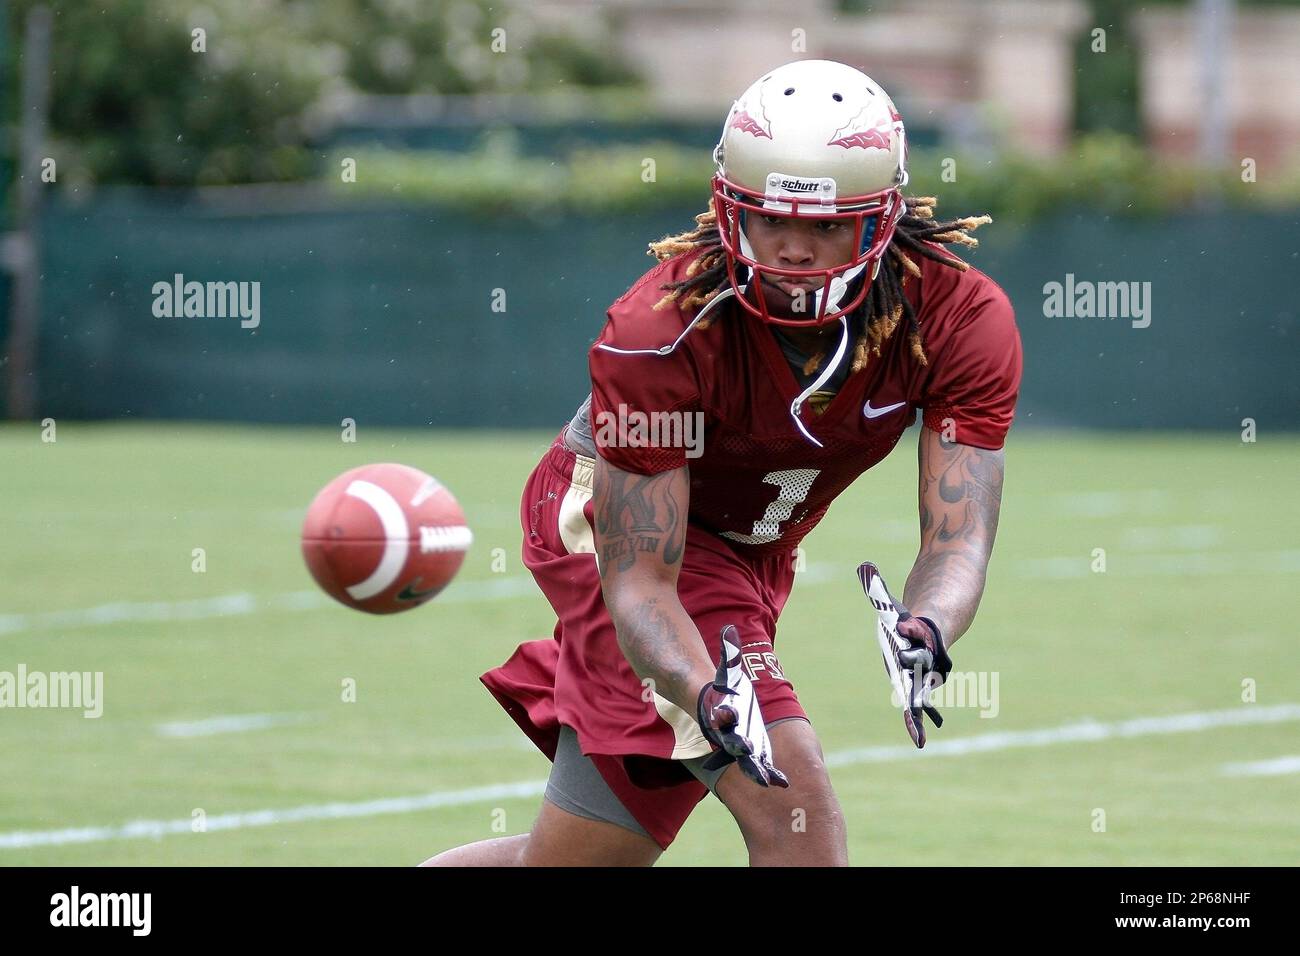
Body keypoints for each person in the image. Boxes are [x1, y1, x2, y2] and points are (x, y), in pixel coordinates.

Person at [422, 58, 1022, 867]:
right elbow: (641, 583)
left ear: (883, 220)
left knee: (580, 860)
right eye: (772, 220)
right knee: (795, 813)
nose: (795, 252)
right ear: (727, 210)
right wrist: (703, 688)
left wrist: (928, 628)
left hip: (751, 553)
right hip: (616, 531)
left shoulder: (956, 317)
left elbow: (959, 539)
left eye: (827, 226)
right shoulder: (658, 331)